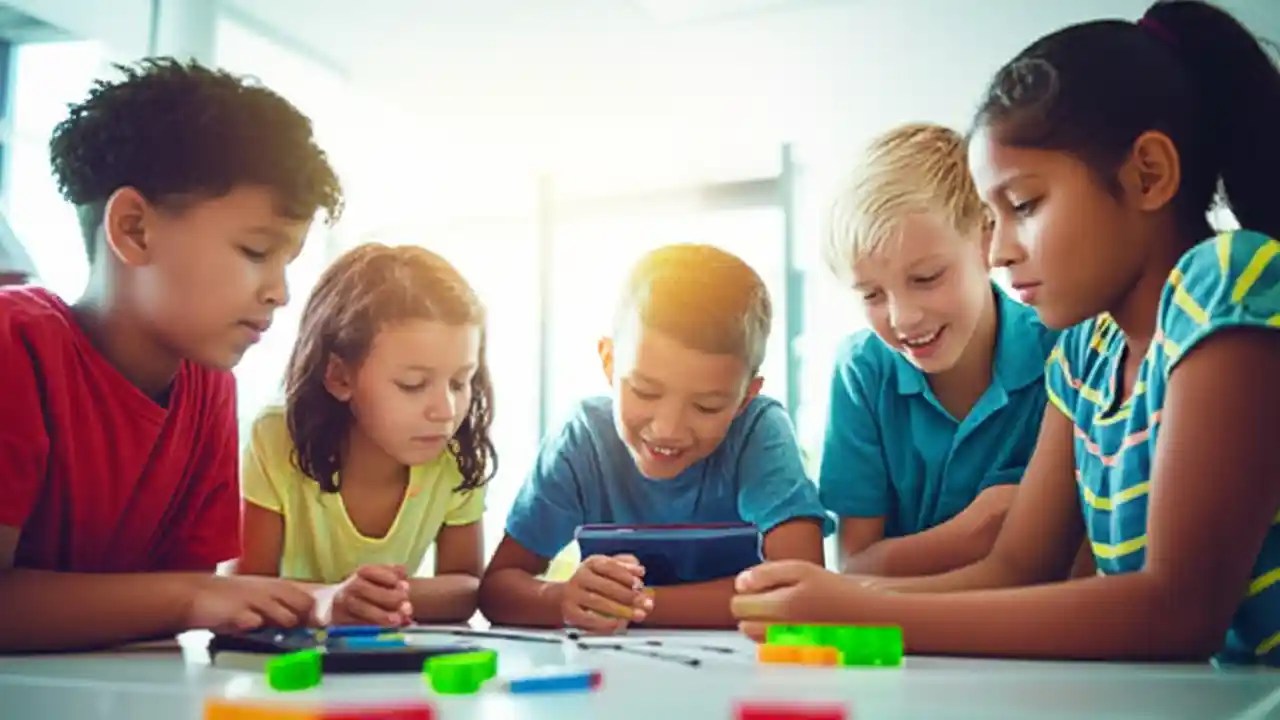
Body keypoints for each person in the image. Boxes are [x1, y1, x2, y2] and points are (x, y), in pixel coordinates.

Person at [732, 1, 1280, 665]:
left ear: (1148, 174)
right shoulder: (1084, 355)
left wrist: (863, 609)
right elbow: (1015, 568)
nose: (998, 253)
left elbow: (1177, 612)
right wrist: (833, 595)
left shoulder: (1228, 282)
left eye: (1023, 206)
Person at [0, 58, 343, 651]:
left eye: (287, 263)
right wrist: (189, 598)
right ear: (134, 230)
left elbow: (174, 601)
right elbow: (184, 595)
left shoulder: (209, 385)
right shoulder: (16, 346)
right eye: (256, 250)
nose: (279, 293)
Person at [480, 244, 829, 634]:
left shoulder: (758, 431)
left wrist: (630, 605)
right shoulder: (583, 440)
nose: (668, 429)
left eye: (707, 406)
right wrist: (561, 599)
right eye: (645, 392)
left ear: (746, 396)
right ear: (610, 361)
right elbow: (497, 589)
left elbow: (800, 587)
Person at [820, 122, 1058, 577]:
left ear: (986, 239)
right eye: (871, 294)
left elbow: (1067, 565)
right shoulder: (862, 371)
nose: (902, 317)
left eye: (926, 278)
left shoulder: (1063, 352)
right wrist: (977, 528)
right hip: (904, 640)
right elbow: (855, 566)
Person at [236, 243, 494, 627]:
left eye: (460, 382)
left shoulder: (455, 453)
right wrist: (332, 600)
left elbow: (467, 589)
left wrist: (367, 600)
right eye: (413, 384)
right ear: (341, 377)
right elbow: (246, 588)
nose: (446, 410)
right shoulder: (275, 439)